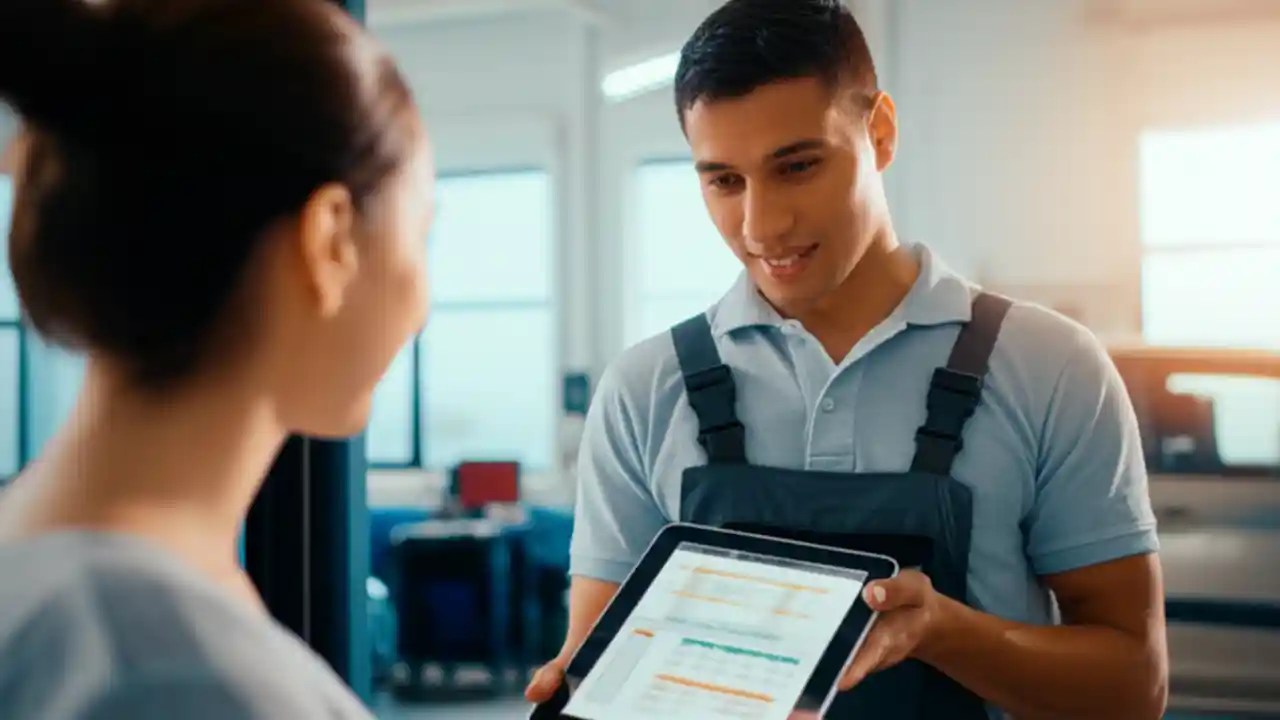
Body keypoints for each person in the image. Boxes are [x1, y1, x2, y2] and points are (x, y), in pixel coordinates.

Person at [527, 1, 1168, 718]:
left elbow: (1132, 689)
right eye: (725, 181)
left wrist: (943, 633)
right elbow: (599, 676)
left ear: (881, 133)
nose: (763, 226)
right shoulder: (644, 391)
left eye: (798, 166)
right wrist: (576, 691)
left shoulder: (1050, 368)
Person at [0, 0, 432, 717]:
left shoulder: (54, 583)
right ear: (329, 242)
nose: (422, 298)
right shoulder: (171, 676)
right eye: (421, 234)